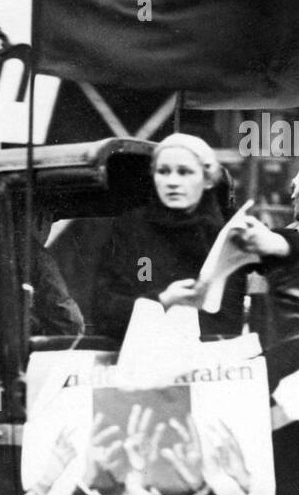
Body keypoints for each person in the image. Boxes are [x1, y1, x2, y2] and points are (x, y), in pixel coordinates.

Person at [91, 133, 245, 340]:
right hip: (145, 353)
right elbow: (105, 310)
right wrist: (162, 300)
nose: (172, 182)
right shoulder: (131, 228)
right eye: (163, 172)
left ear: (207, 179)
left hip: (211, 360)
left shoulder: (229, 229)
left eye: (185, 172)